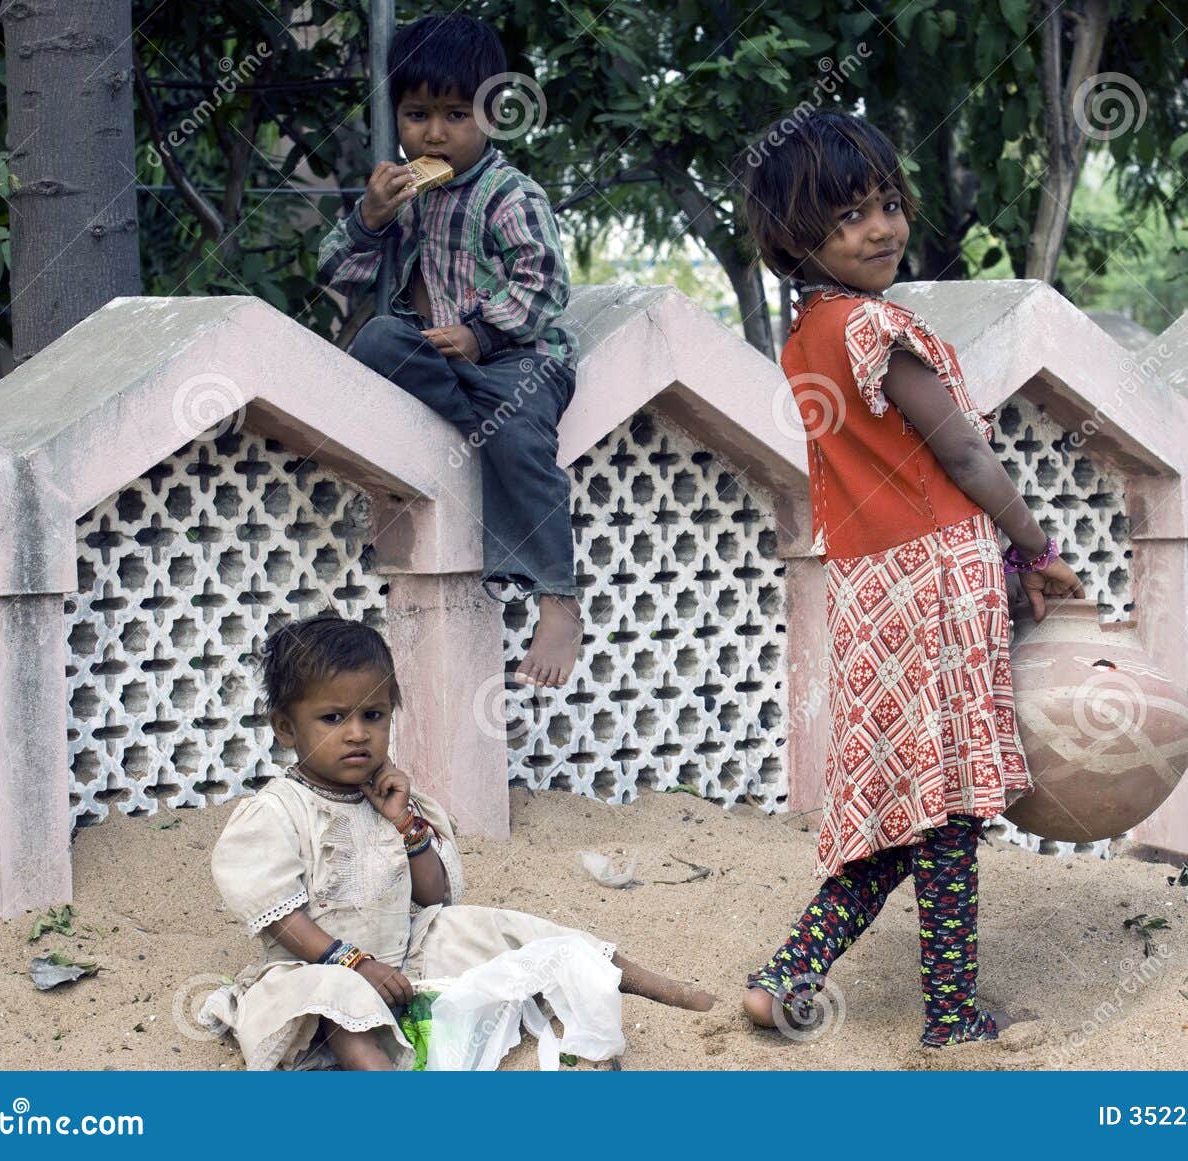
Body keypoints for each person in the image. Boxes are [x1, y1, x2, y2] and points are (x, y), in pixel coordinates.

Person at [734, 111, 1087, 1047]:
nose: (882, 227)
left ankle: (789, 974)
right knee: (951, 806)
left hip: (865, 585)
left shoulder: (809, 332)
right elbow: (963, 452)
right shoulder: (878, 325)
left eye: (888, 203)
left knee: (915, 802)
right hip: (931, 579)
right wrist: (1036, 546)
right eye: (850, 215)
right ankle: (950, 1015)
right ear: (796, 238)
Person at [202, 613, 715, 1070]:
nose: (357, 733)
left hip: (409, 949)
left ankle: (644, 981)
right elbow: (283, 919)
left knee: (503, 925)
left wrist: (406, 824)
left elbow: (434, 898)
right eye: (333, 718)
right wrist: (354, 962)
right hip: (316, 966)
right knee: (334, 997)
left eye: (373, 716)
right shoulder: (275, 813)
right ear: (287, 728)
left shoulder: (395, 799)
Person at [317, 13, 581, 687]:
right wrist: (368, 219)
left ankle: (558, 598)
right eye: (417, 114)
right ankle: (478, 430)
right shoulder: (400, 196)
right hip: (446, 368)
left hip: (518, 358)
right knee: (378, 338)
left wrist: (481, 332)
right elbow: (335, 276)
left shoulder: (509, 193)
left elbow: (545, 284)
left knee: (520, 433)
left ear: (493, 114)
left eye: (456, 114)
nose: (433, 133)